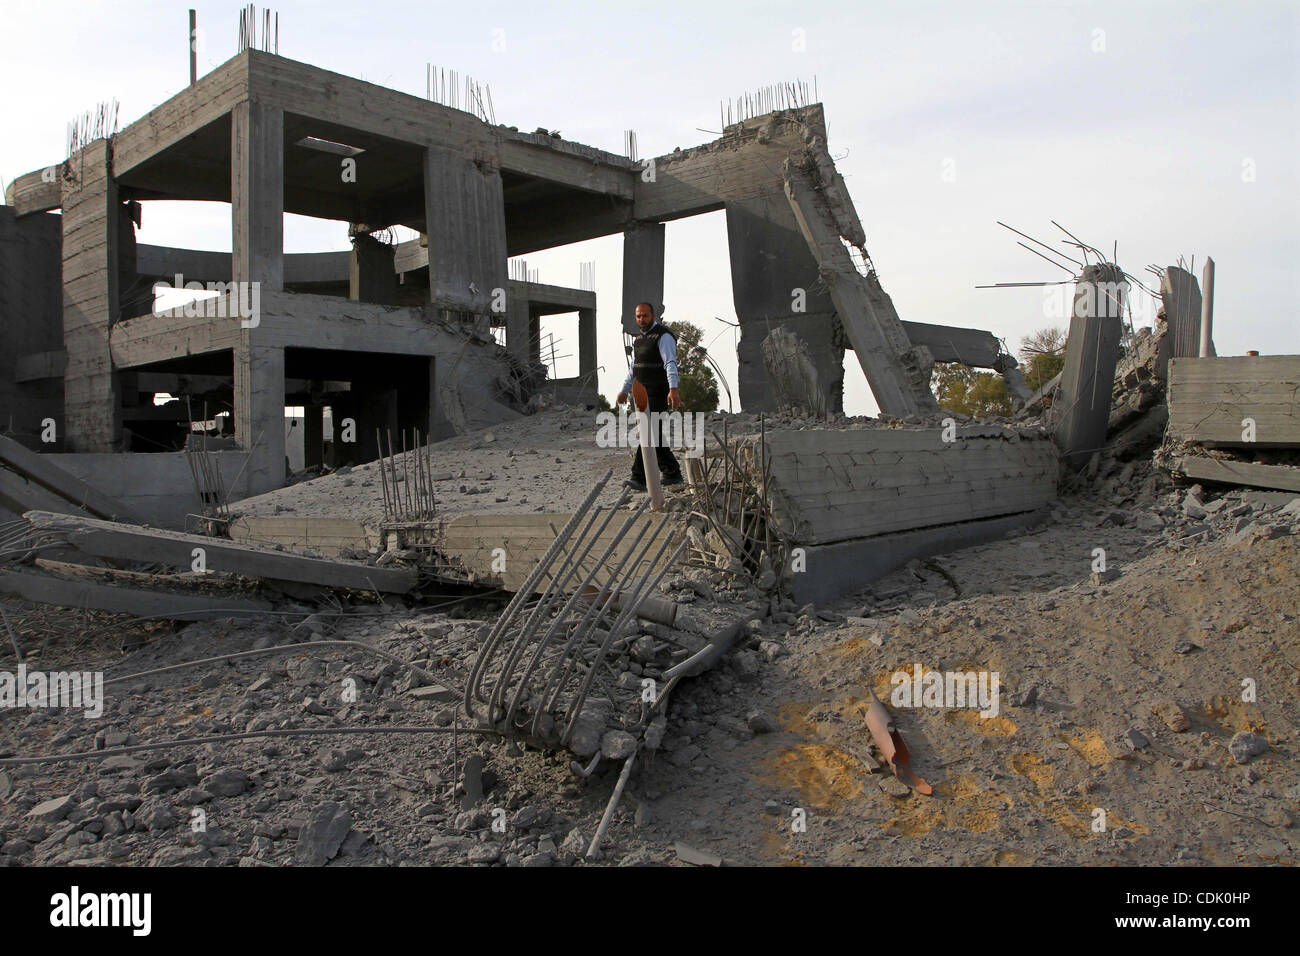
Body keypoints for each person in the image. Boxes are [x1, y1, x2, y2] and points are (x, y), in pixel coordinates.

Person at [616, 302, 685, 491]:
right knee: (653, 433)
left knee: (648, 432)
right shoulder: (638, 339)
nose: (641, 319)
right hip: (640, 393)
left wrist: (673, 389)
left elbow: (670, 363)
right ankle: (672, 472)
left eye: (645, 316)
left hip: (657, 391)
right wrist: (624, 390)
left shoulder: (663, 336)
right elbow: (633, 368)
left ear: (653, 316)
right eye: (638, 316)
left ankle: (639, 477)